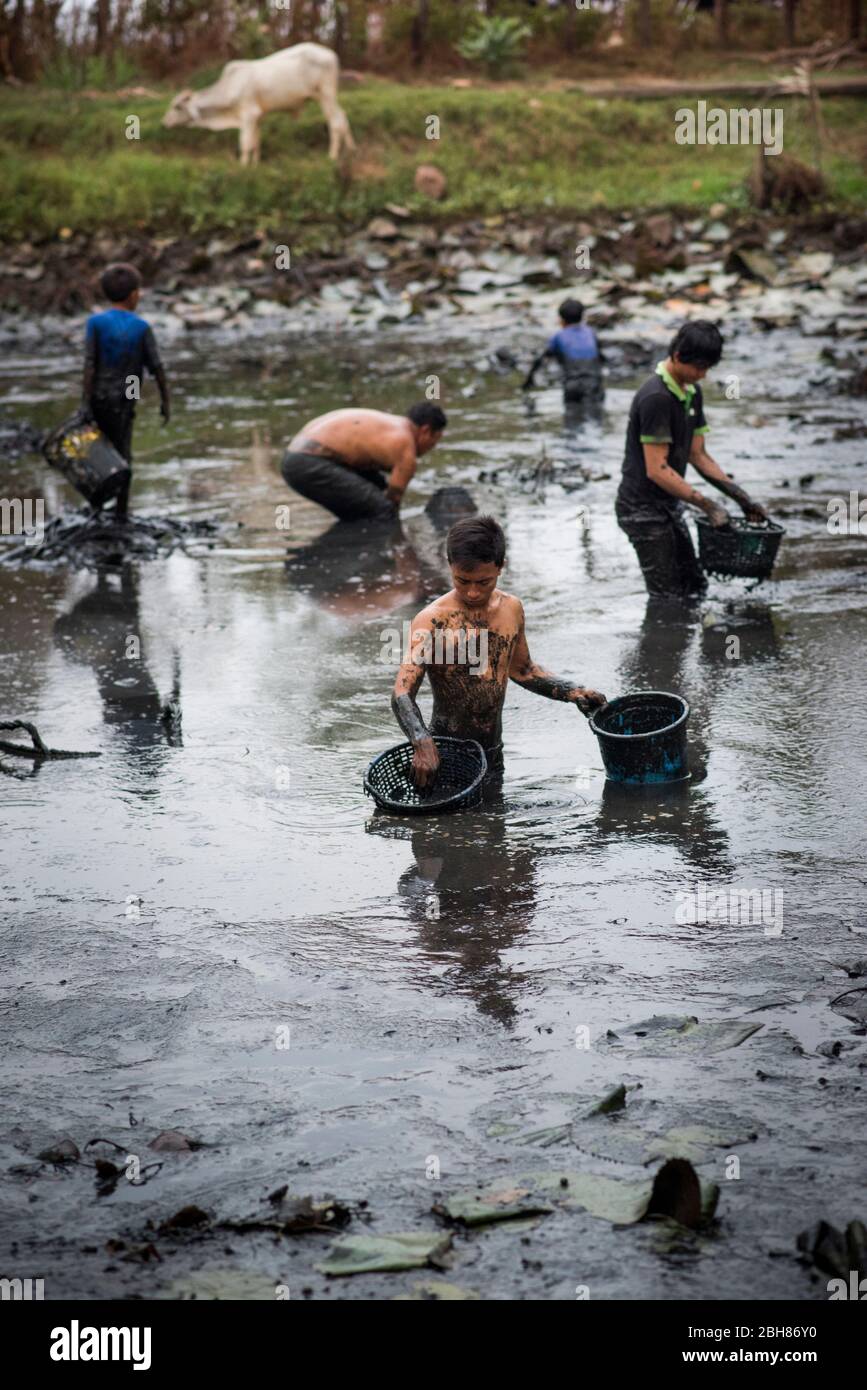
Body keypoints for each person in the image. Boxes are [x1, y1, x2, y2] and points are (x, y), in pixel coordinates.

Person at [391, 515, 606, 786]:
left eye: (483, 582)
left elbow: (524, 670)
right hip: (445, 755)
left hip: (492, 751)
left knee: (493, 824)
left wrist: (572, 691)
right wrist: (421, 742)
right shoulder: (433, 620)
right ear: (450, 566)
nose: (471, 592)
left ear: (500, 567)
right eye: (462, 580)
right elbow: (402, 692)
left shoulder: (511, 608)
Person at [615, 320, 769, 599]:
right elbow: (657, 469)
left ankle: (685, 641)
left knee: (695, 586)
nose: (703, 375)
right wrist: (708, 505)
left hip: (669, 505)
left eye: (707, 369)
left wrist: (741, 498)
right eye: (698, 368)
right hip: (641, 511)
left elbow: (698, 455)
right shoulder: (656, 398)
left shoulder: (691, 392)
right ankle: (659, 642)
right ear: (676, 357)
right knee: (668, 598)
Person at [82, 263, 170, 519]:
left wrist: (84, 402)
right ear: (133, 295)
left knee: (97, 453)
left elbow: (90, 364)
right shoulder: (141, 327)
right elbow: (157, 368)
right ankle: (121, 510)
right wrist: (166, 402)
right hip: (126, 398)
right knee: (123, 455)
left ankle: (96, 507)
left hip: (98, 396)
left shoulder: (95, 323)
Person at [282, 403, 446, 523]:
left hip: (296, 456)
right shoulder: (405, 446)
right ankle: (361, 556)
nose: (431, 448)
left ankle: (348, 545)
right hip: (306, 463)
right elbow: (393, 502)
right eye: (434, 441)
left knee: (373, 495)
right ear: (425, 431)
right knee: (383, 512)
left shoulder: (394, 424)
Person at [521, 298, 604, 405]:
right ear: (582, 317)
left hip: (572, 387)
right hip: (594, 385)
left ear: (561, 320)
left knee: (572, 418)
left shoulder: (558, 337)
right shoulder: (591, 333)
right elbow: (600, 357)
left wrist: (528, 382)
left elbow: (541, 360)